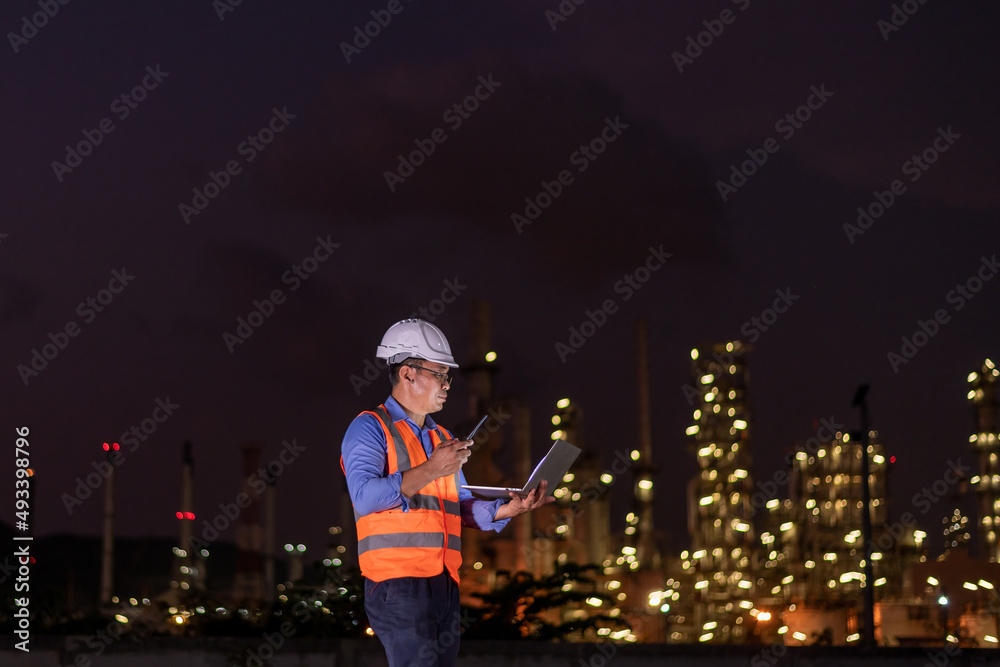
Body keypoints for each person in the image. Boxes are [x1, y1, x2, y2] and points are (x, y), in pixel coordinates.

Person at [341, 318, 553, 667]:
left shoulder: (440, 439)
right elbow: (364, 498)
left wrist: (507, 511)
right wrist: (431, 468)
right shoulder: (370, 427)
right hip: (397, 582)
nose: (447, 384)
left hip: (444, 581)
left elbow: (457, 504)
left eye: (447, 376)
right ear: (409, 374)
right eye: (440, 374)